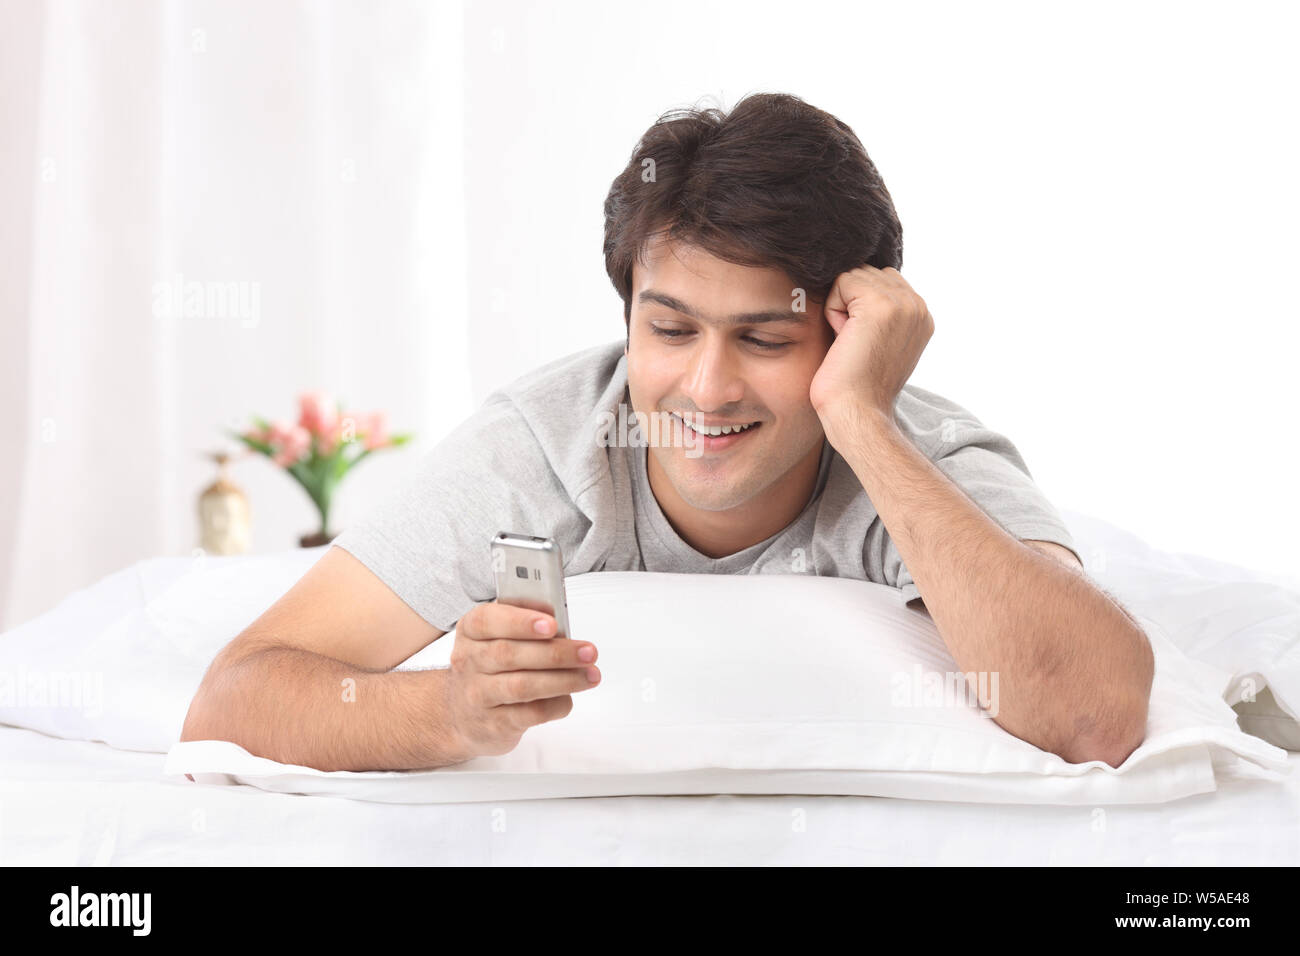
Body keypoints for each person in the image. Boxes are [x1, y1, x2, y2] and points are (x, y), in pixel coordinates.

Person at [180, 92, 1153, 774]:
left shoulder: (922, 455)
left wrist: (859, 417)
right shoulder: (541, 448)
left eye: (765, 336)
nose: (706, 385)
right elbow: (235, 694)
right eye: (670, 327)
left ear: (849, 329)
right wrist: (446, 710)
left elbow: (1095, 716)